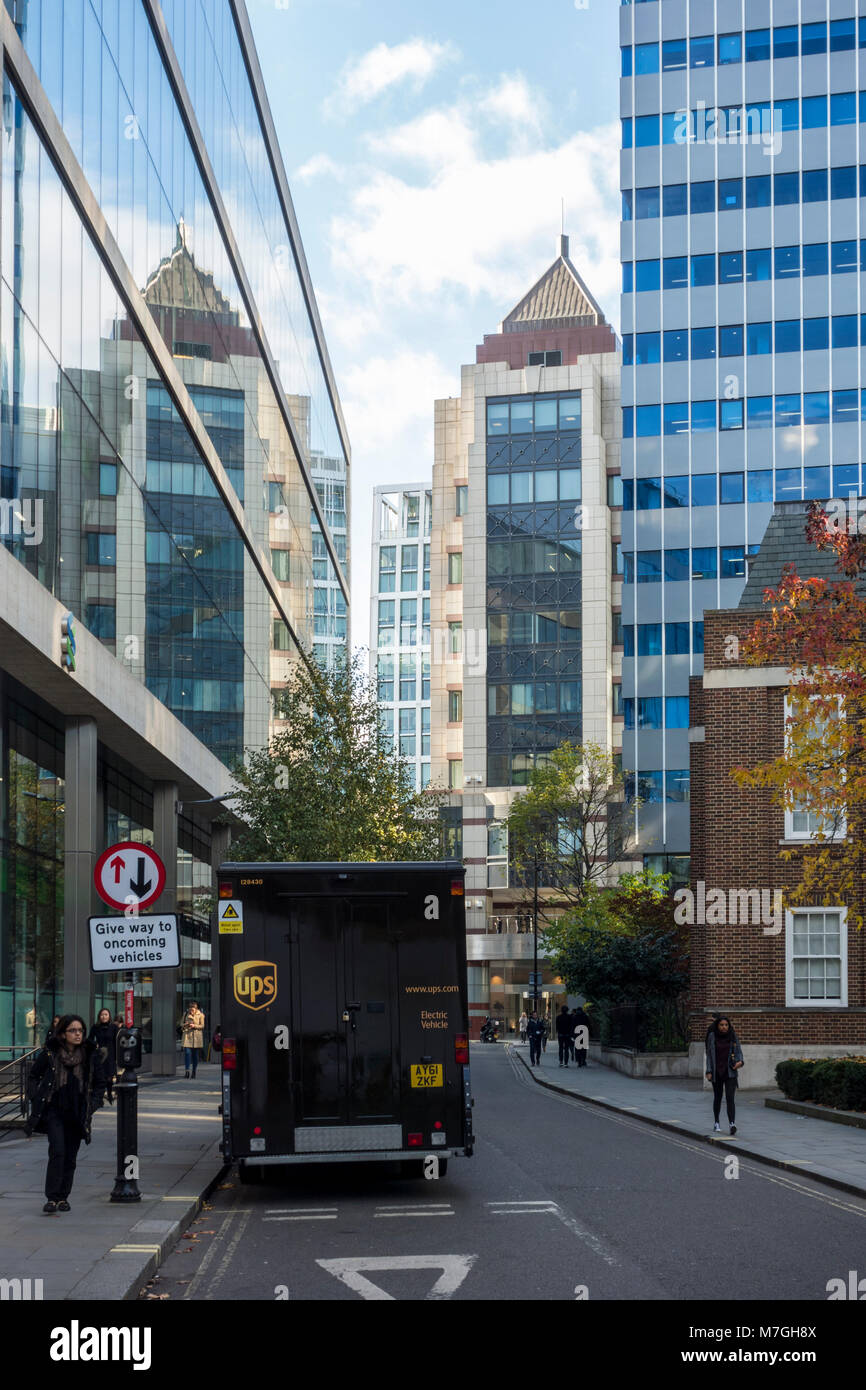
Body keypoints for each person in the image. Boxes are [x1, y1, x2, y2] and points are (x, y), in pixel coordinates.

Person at [25, 1014, 107, 1213]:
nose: (78, 1034)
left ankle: (63, 1198)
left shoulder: (89, 1054)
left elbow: (100, 1083)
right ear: (63, 1034)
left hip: (77, 1112)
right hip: (54, 1109)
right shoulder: (50, 1053)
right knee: (58, 1151)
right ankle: (52, 1198)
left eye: (80, 1030)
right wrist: (36, 1097)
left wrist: (93, 1104)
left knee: (70, 1157)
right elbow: (33, 1076)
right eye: (73, 1030)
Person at [705, 1015, 744, 1135]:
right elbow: (709, 1055)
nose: (724, 1027)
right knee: (717, 1097)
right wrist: (709, 1071)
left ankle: (732, 1123)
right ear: (717, 1026)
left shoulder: (732, 1036)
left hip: (730, 1072)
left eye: (726, 1025)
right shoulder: (712, 1036)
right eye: (721, 1025)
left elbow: (738, 1052)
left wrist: (740, 1062)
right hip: (717, 1072)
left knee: (730, 1098)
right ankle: (716, 1122)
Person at [88, 1008, 119, 1100]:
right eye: (102, 1015)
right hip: (100, 1054)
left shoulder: (114, 1027)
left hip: (111, 1054)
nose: (104, 1016)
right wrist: (95, 1045)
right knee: (100, 1075)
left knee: (109, 1076)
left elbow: (117, 1041)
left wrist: (118, 1056)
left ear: (109, 1016)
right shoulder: (95, 1027)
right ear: (99, 1016)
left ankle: (109, 1094)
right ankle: (99, 1094)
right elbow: (90, 1039)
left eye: (106, 1014)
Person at [181, 1001, 205, 1077]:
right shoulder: (185, 1014)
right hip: (187, 1037)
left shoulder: (201, 1015)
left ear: (196, 1008)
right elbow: (181, 1024)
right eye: (190, 1008)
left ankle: (194, 1071)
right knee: (187, 1054)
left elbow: (202, 1026)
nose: (191, 1009)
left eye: (193, 1008)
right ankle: (187, 1071)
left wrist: (194, 1025)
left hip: (196, 1038)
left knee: (195, 1056)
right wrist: (185, 1025)